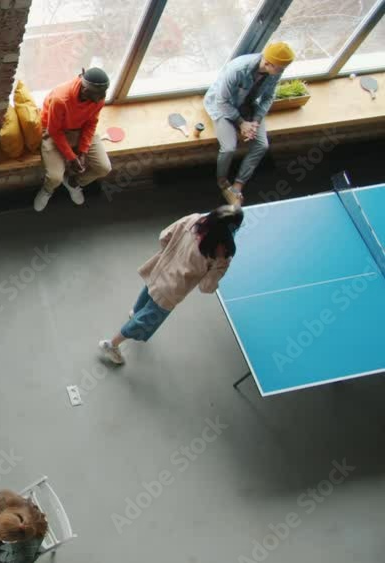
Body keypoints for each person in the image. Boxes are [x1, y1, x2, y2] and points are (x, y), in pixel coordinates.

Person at [99, 205, 244, 364]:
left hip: (159, 269)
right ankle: (112, 345)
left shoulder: (194, 219)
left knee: (149, 291)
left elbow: (164, 236)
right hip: (171, 290)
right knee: (144, 322)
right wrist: (214, 282)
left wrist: (169, 256)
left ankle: (136, 313)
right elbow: (206, 287)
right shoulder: (221, 256)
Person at [204, 41, 294, 206]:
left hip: (248, 106)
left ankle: (238, 185)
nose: (282, 72)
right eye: (280, 69)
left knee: (262, 145)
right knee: (229, 147)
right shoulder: (237, 69)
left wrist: (255, 121)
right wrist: (241, 123)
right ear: (268, 63)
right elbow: (221, 101)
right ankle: (222, 181)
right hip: (223, 107)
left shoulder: (275, 72)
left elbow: (268, 97)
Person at [33, 67, 112, 211]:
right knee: (55, 177)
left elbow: (91, 123)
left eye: (104, 92)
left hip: (80, 129)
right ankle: (47, 190)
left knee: (104, 168)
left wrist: (83, 151)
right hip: (54, 130)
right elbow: (54, 130)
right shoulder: (60, 99)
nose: (103, 97)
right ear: (85, 90)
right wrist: (71, 157)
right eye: (99, 94)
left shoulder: (98, 99)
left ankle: (73, 183)